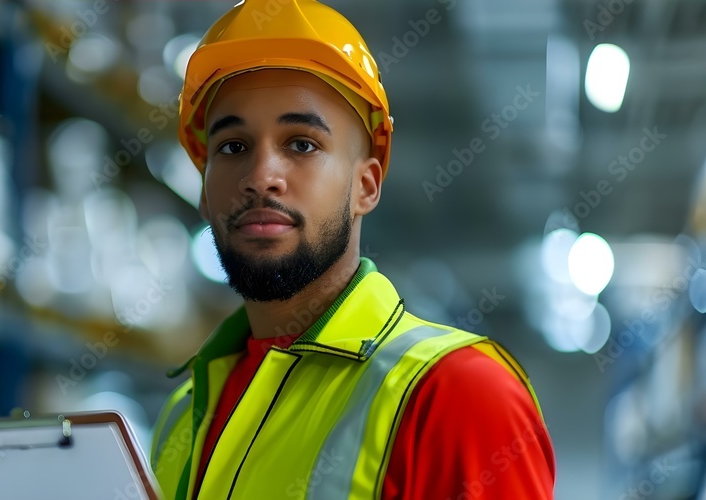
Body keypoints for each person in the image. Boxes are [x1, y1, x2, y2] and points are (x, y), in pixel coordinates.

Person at [148, 1, 556, 498]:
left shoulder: (457, 394)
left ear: (366, 186)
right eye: (232, 147)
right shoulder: (183, 416)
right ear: (204, 189)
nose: (260, 177)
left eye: (301, 144)